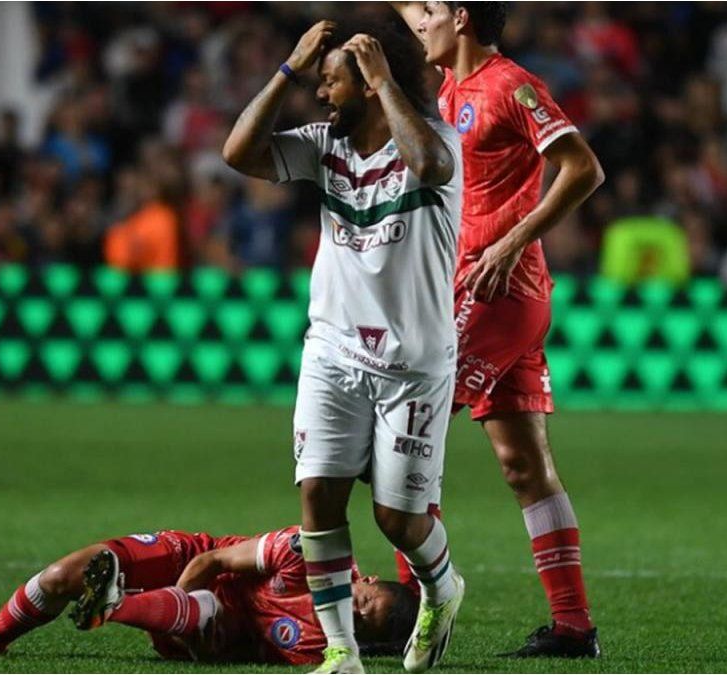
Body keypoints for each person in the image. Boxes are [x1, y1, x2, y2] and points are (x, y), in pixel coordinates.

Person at [223, 18, 464, 675]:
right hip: (333, 352)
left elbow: (431, 166)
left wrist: (385, 81)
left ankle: (443, 586)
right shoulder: (321, 145)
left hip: (413, 365)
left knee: (397, 519)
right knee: (318, 497)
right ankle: (341, 652)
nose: (321, 93)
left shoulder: (435, 139)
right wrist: (288, 68)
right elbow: (238, 153)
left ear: (370, 80)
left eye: (331, 81)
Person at [390, 1, 605, 659]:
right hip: (487, 292)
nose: (419, 23)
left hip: (496, 290)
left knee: (406, 434)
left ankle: (416, 605)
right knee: (524, 465)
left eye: (432, 13)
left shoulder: (511, 85)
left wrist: (512, 241)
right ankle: (574, 627)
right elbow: (411, 11)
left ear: (460, 17)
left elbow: (583, 168)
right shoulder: (450, 82)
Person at [0, 525, 418, 666]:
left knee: (205, 611)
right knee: (61, 577)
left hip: (208, 628)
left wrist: (189, 636)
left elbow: (235, 654)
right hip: (192, 560)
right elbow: (213, 562)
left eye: (361, 623)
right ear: (366, 579)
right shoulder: (309, 551)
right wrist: (170, 601)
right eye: (363, 602)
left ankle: (112, 605)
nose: (351, 612)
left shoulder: (318, 648)